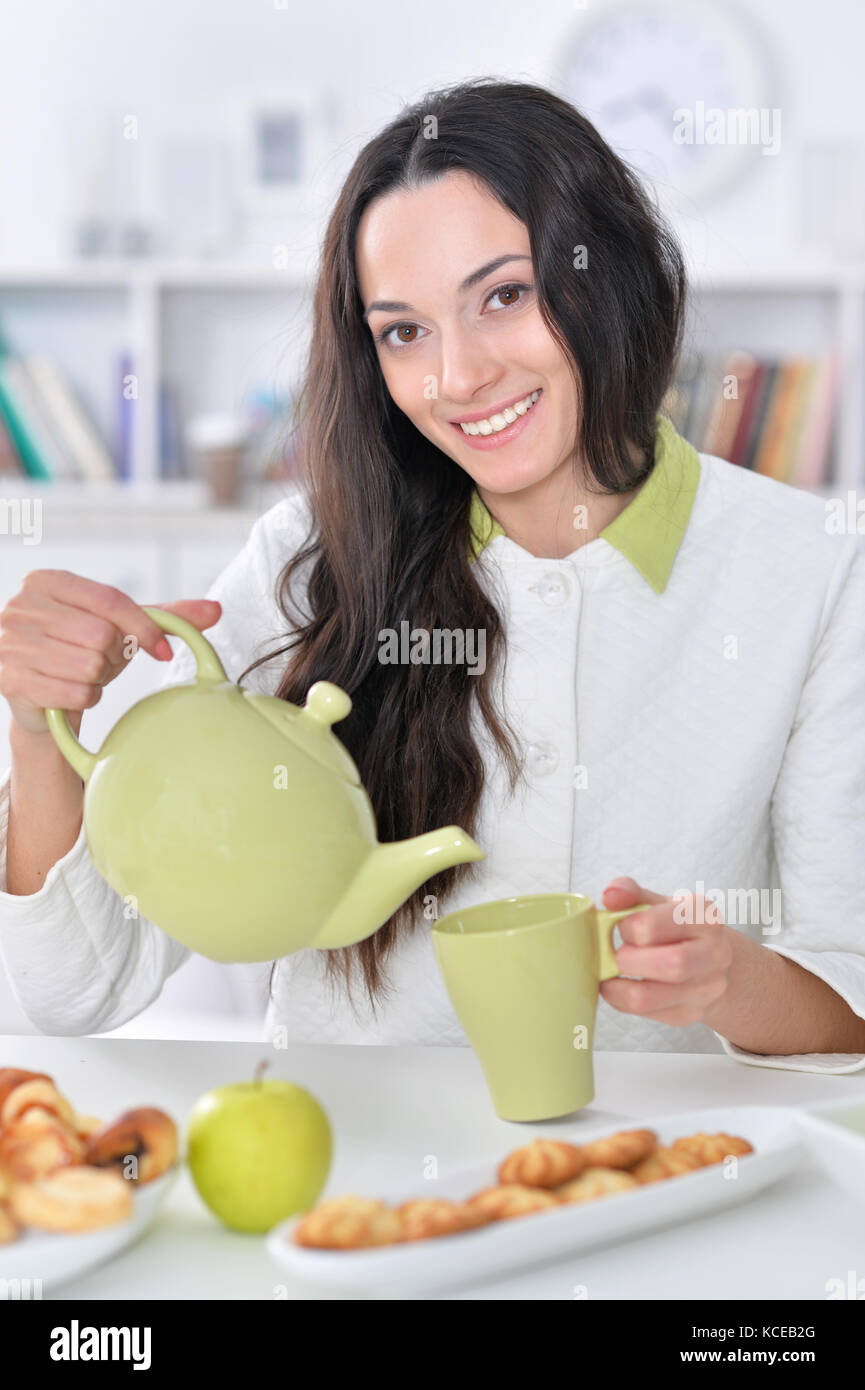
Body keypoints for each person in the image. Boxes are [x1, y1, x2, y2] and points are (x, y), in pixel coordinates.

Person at [1, 78, 864, 1073]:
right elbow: (79, 989)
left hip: (662, 1182)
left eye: (504, 295)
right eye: (403, 331)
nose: (456, 377)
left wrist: (728, 977)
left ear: (610, 276)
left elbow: (848, 999)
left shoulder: (813, 569)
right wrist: (37, 730)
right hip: (353, 1191)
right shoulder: (304, 560)